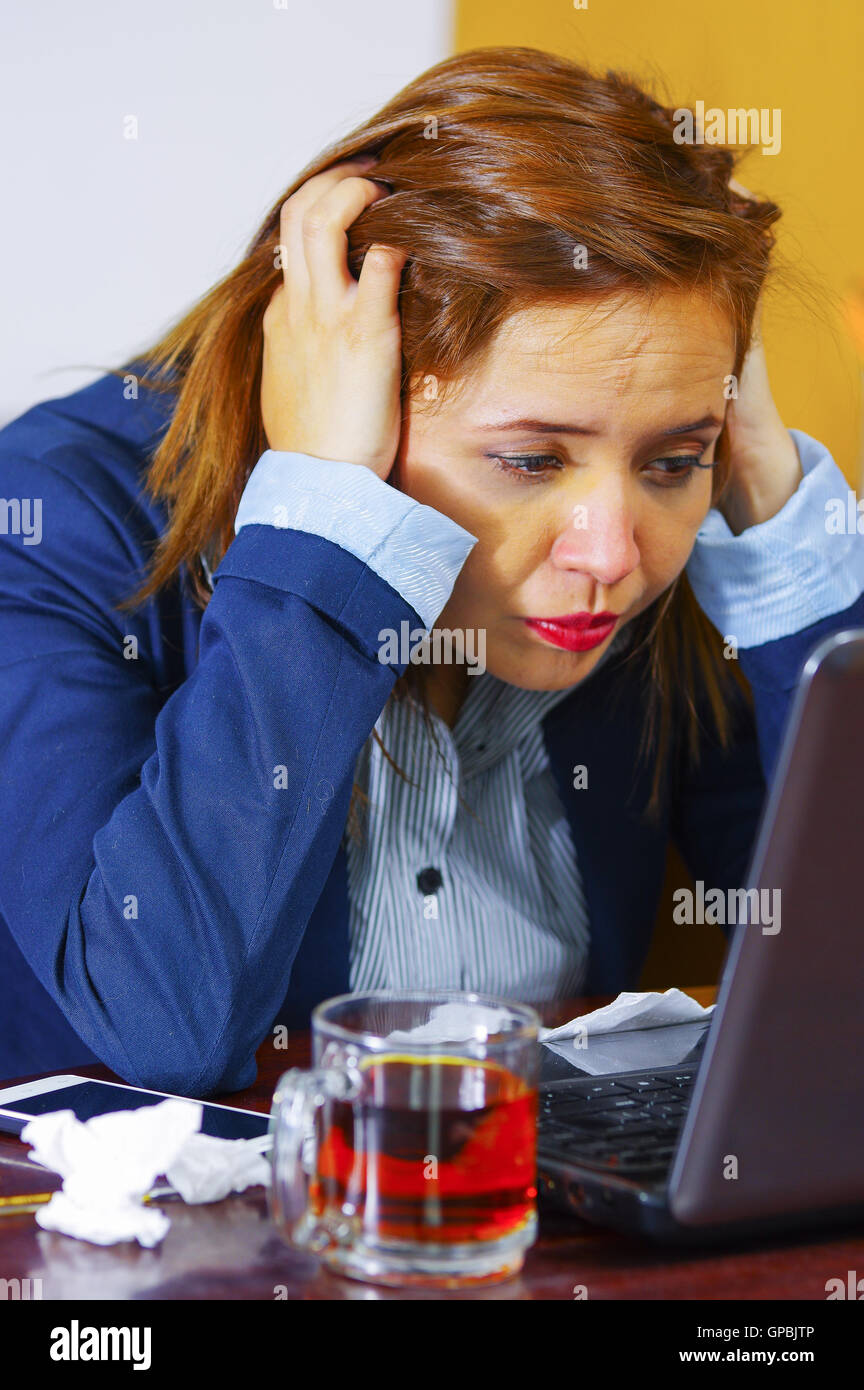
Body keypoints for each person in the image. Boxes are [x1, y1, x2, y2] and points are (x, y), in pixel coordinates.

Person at [1, 48, 861, 1093]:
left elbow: (837, 968)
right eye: (532, 461)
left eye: (672, 459)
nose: (612, 555)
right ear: (352, 386)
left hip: (532, 1241)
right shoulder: (55, 522)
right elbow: (161, 1029)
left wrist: (772, 515)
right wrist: (324, 517)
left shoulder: (654, 554)